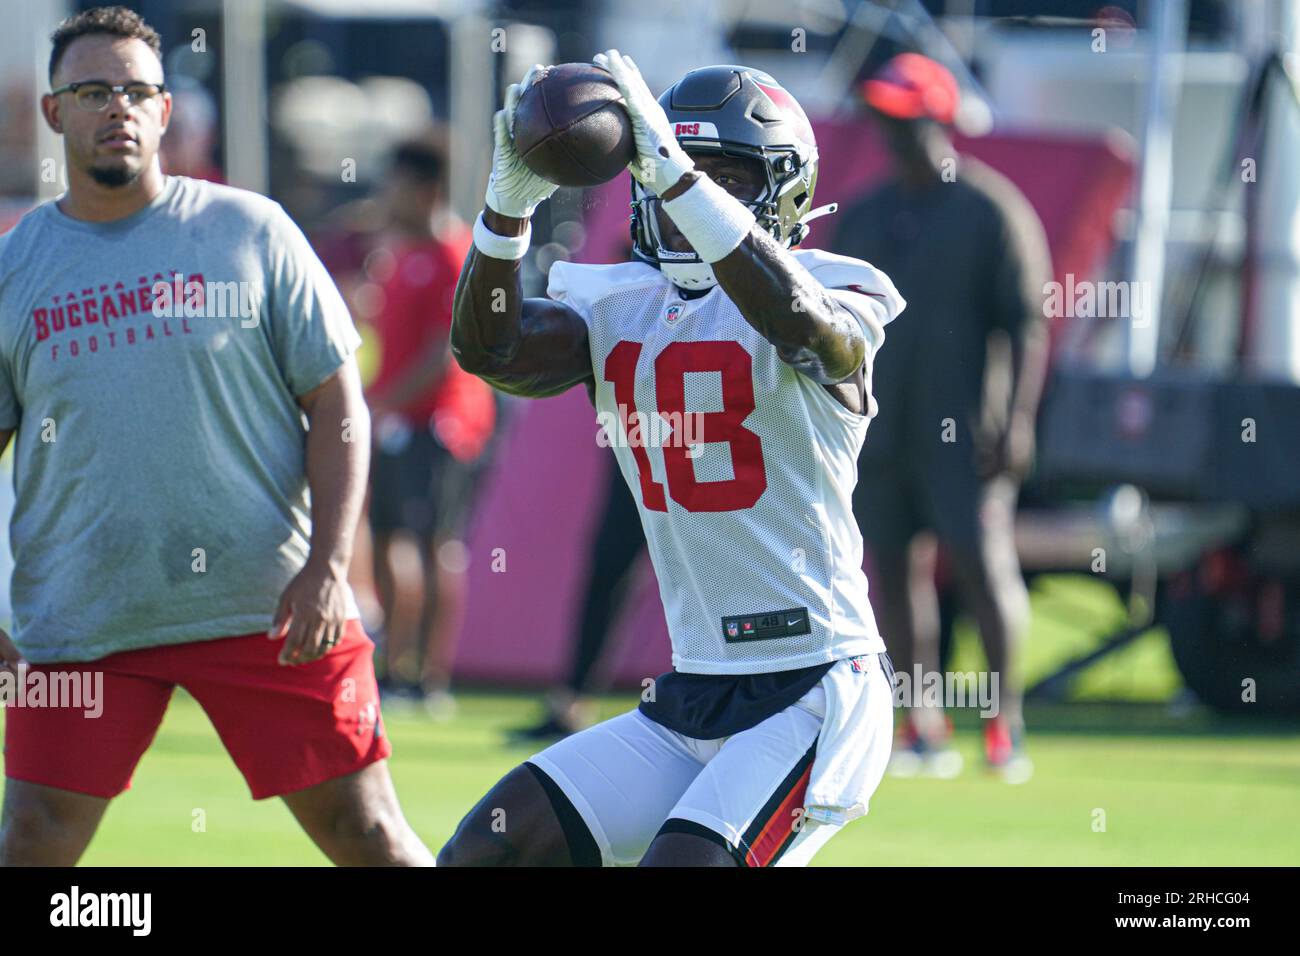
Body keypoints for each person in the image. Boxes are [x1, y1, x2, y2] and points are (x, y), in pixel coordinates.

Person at [440, 51, 904, 867]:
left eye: (726, 175)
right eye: (673, 168)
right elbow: (492, 348)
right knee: (487, 853)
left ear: (786, 195)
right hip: (692, 693)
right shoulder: (621, 301)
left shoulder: (837, 287)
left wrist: (685, 181)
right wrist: (505, 211)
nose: (688, 192)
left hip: (815, 686)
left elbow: (805, 327)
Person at [0, 6, 432, 865]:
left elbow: (338, 407)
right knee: (33, 841)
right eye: (92, 90)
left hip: (271, 605)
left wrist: (328, 569)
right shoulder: (15, 268)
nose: (116, 108)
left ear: (165, 111)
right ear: (55, 113)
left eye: (136, 91)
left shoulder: (251, 231)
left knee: (369, 831)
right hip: (82, 619)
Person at [833, 54, 1050, 780]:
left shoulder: (990, 210)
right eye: (882, 118)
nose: (891, 132)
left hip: (967, 433)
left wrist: (1017, 421)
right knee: (892, 573)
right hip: (882, 430)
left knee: (984, 568)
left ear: (939, 117)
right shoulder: (864, 214)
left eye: (904, 118)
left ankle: (1003, 723)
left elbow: (1026, 325)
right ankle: (918, 723)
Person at [361, 137, 497, 716]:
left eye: (394, 184)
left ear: (424, 190)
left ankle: (431, 680)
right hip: (394, 421)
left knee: (434, 542)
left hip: (443, 424)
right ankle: (396, 670)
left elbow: (447, 351)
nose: (385, 197)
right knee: (390, 540)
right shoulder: (395, 253)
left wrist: (385, 401)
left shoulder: (454, 253)